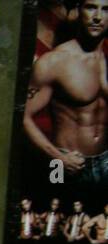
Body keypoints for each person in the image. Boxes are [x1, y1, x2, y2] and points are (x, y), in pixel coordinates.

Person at [24, 0, 108, 188]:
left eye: (106, 9)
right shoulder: (55, 61)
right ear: (78, 11)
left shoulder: (105, 58)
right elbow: (23, 117)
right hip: (63, 161)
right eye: (91, 7)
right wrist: (59, 158)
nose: (97, 17)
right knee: (53, 212)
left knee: (98, 217)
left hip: (105, 161)